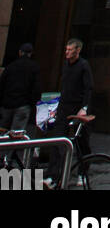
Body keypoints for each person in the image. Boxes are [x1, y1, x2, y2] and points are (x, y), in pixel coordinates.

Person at [47, 39, 94, 185]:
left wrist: (84, 108)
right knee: (57, 141)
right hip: (64, 108)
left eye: (70, 50)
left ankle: (83, 173)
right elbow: (65, 88)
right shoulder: (66, 65)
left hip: (78, 109)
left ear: (77, 50)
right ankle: (53, 176)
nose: (66, 52)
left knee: (82, 142)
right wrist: (56, 108)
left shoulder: (84, 66)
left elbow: (88, 88)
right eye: (66, 49)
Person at [0, 43, 41, 135]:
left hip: (7, 105)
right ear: (30, 54)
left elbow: (2, 86)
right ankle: (14, 149)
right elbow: (36, 89)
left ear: (20, 53)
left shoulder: (10, 67)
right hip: (23, 105)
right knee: (16, 136)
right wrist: (31, 102)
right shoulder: (34, 67)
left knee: (2, 133)